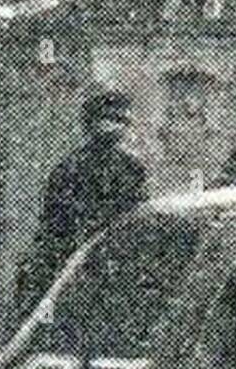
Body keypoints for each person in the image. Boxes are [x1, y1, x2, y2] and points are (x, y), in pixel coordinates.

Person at [15, 90, 148, 318]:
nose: (116, 128)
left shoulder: (133, 169)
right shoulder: (69, 169)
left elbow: (140, 217)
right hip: (74, 263)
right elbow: (54, 226)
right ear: (92, 125)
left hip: (118, 265)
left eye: (121, 121)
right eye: (109, 120)